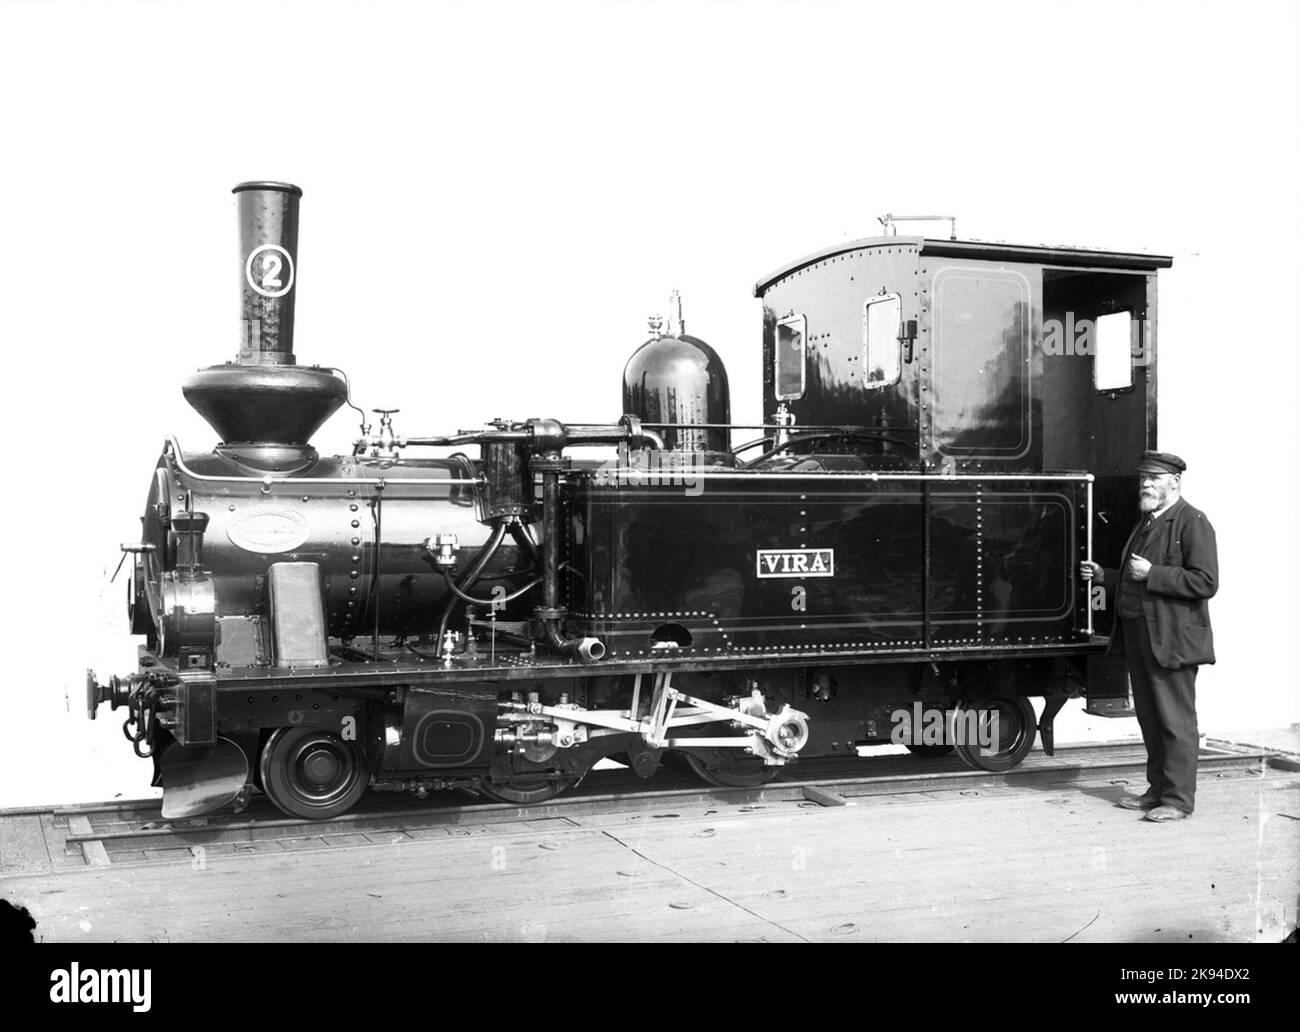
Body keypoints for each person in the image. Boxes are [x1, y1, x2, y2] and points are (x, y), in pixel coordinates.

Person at [1080, 451, 1218, 823]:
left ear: (1174, 482)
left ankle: (1177, 801)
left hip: (1172, 641)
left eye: (1154, 479)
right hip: (1143, 638)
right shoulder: (1148, 523)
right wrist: (1106, 575)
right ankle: (1157, 791)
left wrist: (1153, 573)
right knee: (1152, 720)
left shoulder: (1193, 522)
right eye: (1144, 478)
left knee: (1175, 722)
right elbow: (1134, 574)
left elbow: (1206, 582)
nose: (1145, 485)